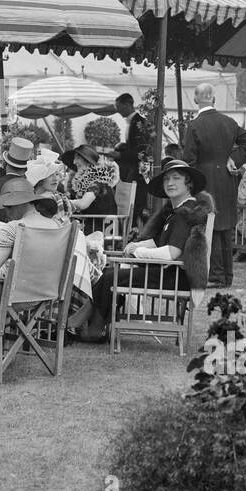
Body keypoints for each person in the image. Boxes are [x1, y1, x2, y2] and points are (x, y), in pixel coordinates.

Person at [70, 160, 213, 342]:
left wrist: (138, 253)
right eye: (166, 179)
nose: (170, 183)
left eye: (176, 179)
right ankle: (89, 324)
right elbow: (161, 240)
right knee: (111, 273)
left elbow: (171, 253)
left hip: (175, 277)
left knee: (110, 277)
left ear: (189, 184)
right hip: (169, 273)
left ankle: (92, 329)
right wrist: (138, 245)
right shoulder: (177, 211)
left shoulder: (186, 213)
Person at [182, 83, 246, 288]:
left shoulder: (195, 125)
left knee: (212, 225)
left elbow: (189, 160)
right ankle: (226, 275)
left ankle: (217, 276)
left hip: (205, 179)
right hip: (227, 179)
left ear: (196, 98)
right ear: (214, 98)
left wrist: (189, 186)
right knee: (225, 225)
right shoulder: (229, 121)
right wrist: (234, 159)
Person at [111, 93, 148, 224]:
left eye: (119, 106)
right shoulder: (133, 121)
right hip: (132, 169)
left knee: (136, 203)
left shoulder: (139, 122)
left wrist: (120, 154)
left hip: (138, 171)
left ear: (127, 105)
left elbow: (140, 149)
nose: (118, 110)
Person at [59, 143, 117, 217]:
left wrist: (59, 202)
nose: (74, 162)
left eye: (78, 158)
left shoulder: (97, 180)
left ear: (88, 161)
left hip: (101, 226)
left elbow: (83, 204)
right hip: (91, 224)